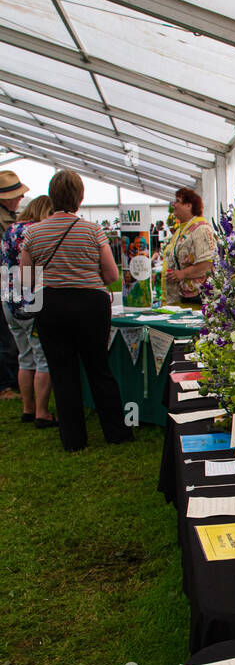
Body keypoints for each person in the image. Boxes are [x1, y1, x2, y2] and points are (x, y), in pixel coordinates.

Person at [20, 169, 131, 452]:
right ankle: (116, 432)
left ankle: (73, 439)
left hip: (52, 305)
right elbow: (110, 275)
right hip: (90, 304)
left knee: (62, 372)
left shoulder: (33, 233)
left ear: (51, 196)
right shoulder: (93, 230)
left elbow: (25, 280)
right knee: (98, 369)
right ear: (80, 197)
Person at [1, 191, 56, 425]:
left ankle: (28, 408)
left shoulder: (10, 230)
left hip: (8, 297)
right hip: (31, 299)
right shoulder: (35, 232)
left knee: (25, 356)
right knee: (43, 356)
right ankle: (42, 413)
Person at [0, 168, 28, 398]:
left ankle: (15, 380)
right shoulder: (5, 221)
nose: (20, 198)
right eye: (17, 195)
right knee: (6, 337)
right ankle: (5, 384)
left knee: (12, 337)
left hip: (10, 284)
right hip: (8, 284)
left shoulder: (10, 219)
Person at [162, 189, 214, 307]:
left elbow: (207, 264)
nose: (173, 204)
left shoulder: (201, 229)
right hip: (182, 299)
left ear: (188, 206)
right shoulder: (182, 230)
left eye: (178, 201)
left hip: (196, 301)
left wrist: (183, 274)